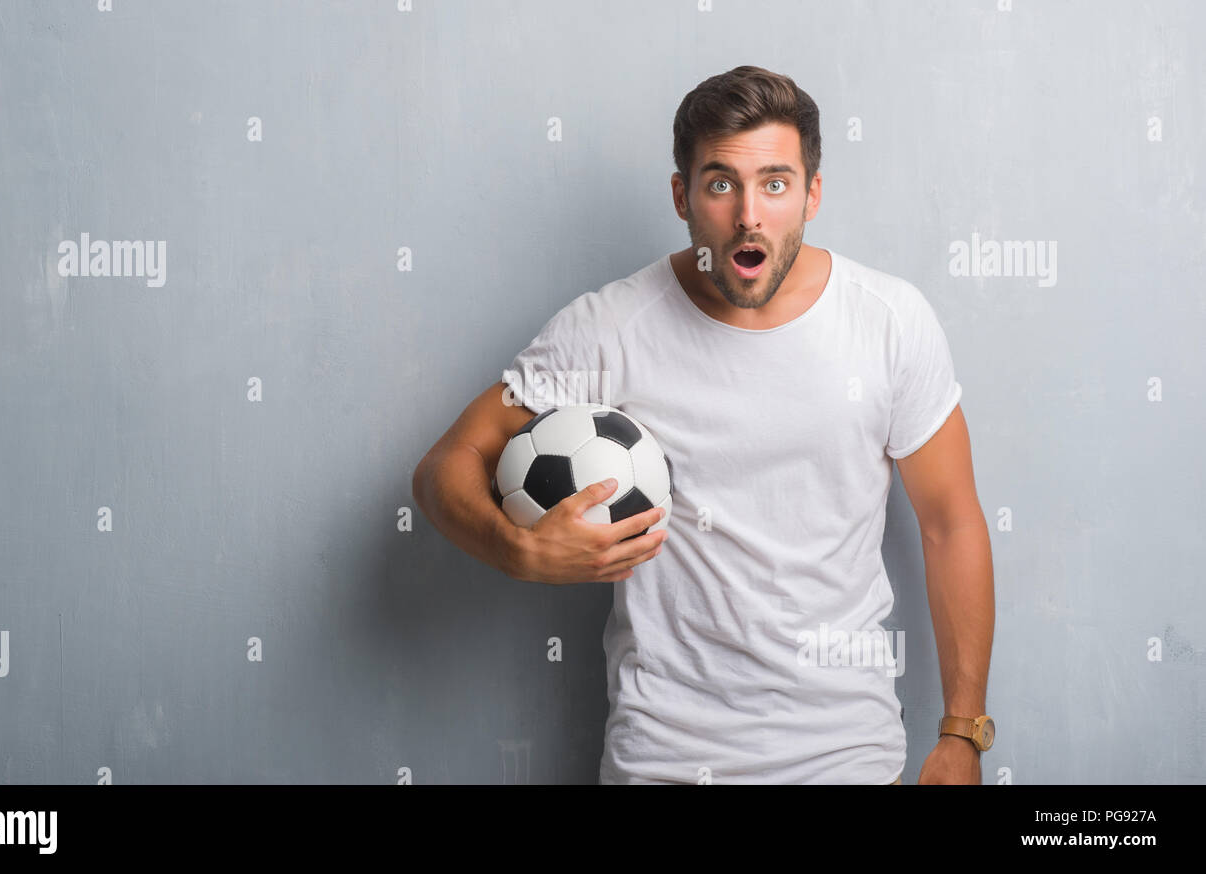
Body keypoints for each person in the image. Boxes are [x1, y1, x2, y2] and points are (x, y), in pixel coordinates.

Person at [412, 66, 994, 785]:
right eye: (721, 184)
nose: (750, 215)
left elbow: (952, 524)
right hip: (664, 758)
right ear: (682, 195)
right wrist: (515, 549)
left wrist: (963, 732)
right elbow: (445, 464)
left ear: (812, 192)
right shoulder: (609, 329)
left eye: (776, 183)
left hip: (846, 756)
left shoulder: (889, 322)